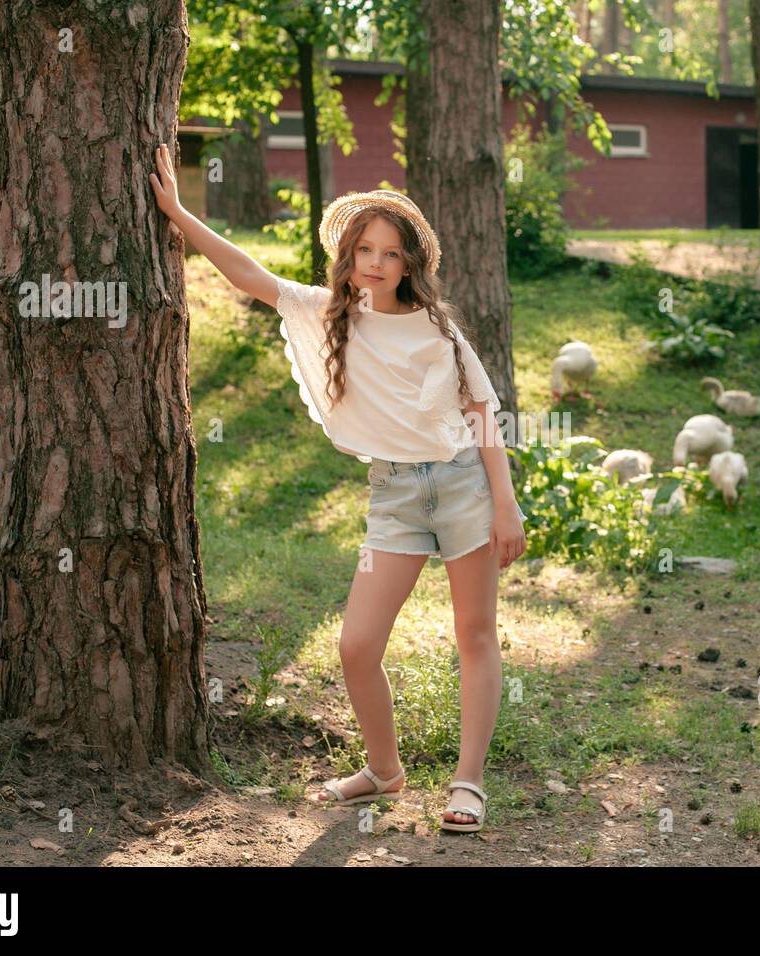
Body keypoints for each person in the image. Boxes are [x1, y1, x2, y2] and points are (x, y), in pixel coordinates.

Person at [149, 143, 525, 833]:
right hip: (396, 498)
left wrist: (505, 505)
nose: (375, 263)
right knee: (357, 645)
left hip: (463, 485)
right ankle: (384, 771)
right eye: (364, 250)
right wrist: (177, 213)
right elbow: (247, 273)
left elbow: (482, 414)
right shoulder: (330, 314)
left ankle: (468, 782)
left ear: (409, 262)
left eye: (389, 252)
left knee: (475, 634)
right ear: (349, 257)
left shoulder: (440, 330)